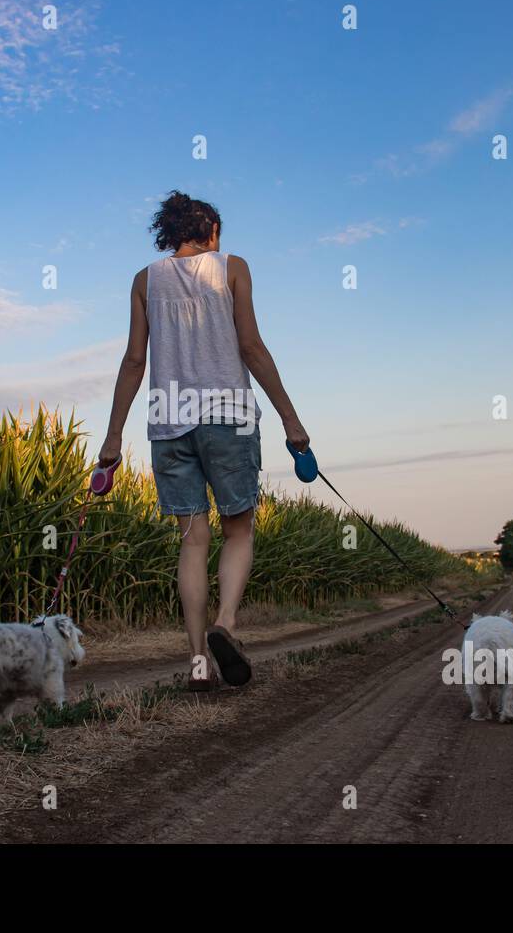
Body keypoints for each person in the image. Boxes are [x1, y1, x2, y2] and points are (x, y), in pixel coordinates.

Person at [97, 190, 309, 690]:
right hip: (227, 416)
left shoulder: (144, 281)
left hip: (169, 421)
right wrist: (291, 421)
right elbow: (250, 345)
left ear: (169, 233)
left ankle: (197, 663)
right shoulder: (231, 267)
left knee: (193, 539)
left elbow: (134, 361)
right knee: (238, 530)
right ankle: (226, 625)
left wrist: (112, 439)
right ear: (211, 231)